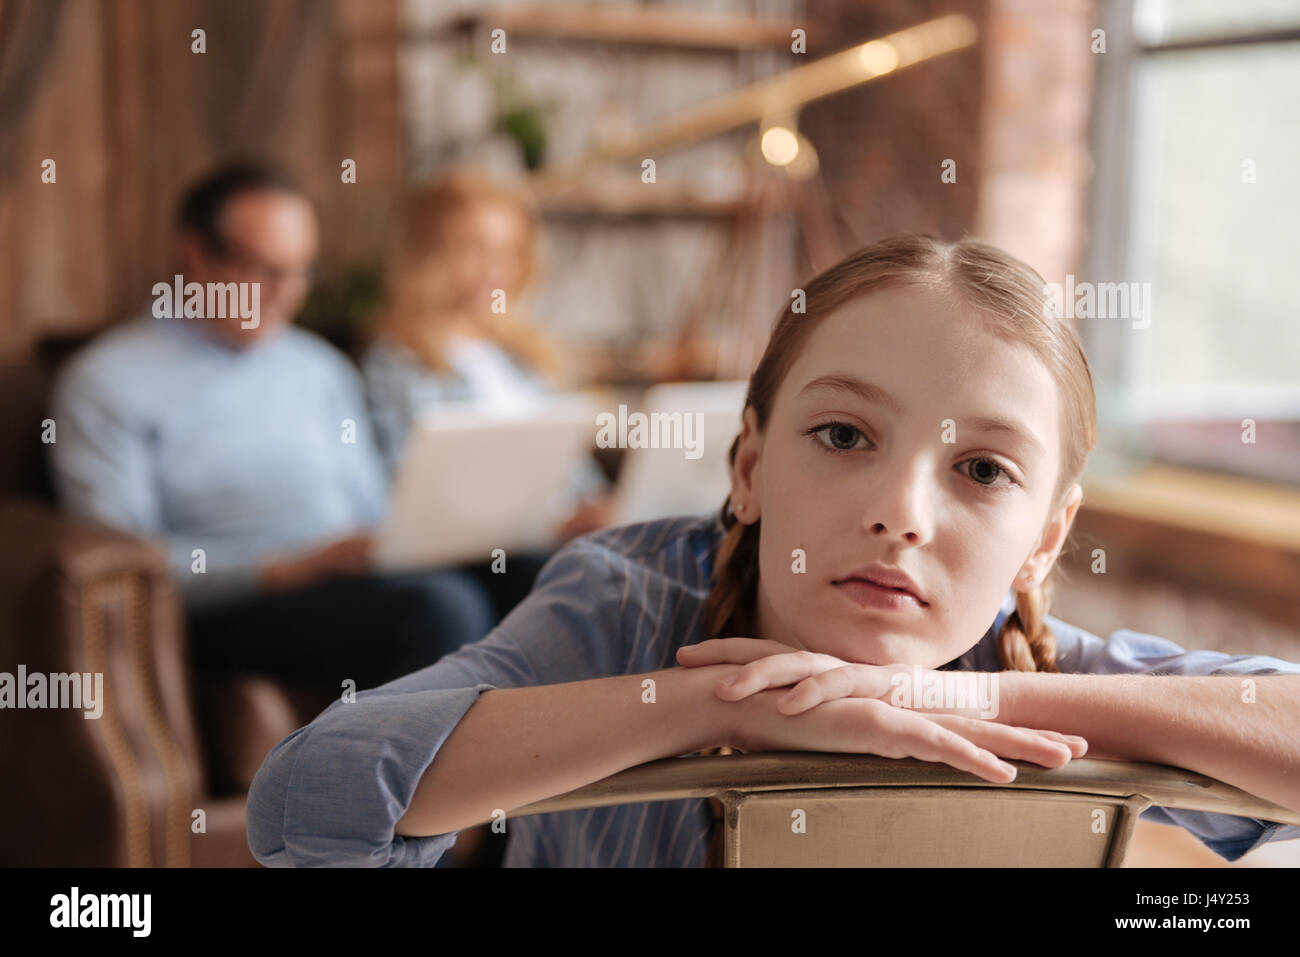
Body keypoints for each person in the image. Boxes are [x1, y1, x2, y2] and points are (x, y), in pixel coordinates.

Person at [246, 235, 1300, 867]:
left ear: (1046, 537)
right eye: (843, 437)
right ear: (746, 468)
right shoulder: (622, 603)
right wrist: (725, 702)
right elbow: (302, 802)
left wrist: (952, 704)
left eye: (982, 471)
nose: (901, 514)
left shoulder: (1029, 663)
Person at [48, 162, 497, 691]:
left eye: (302, 271)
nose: (285, 293)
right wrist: (284, 567)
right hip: (239, 603)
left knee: (537, 572)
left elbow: (372, 507)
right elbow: (129, 567)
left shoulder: (318, 367)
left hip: (353, 579)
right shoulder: (108, 381)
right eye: (264, 269)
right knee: (440, 608)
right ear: (193, 255)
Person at [361, 168, 612, 543]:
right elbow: (409, 492)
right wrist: (549, 526)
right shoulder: (397, 362)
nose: (495, 269)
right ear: (429, 253)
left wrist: (600, 508)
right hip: (489, 553)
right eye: (473, 249)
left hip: (564, 542)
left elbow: (574, 472)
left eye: (509, 252)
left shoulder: (529, 356)